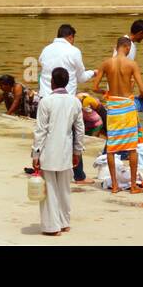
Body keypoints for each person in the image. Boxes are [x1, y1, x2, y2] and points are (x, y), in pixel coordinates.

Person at [39, 24, 95, 181]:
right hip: (66, 100)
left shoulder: (46, 50)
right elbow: (81, 77)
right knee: (73, 134)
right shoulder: (73, 51)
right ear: (70, 37)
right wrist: (94, 72)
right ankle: (78, 175)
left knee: (44, 133)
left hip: (45, 98)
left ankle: (42, 167)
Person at [33, 66, 85, 235]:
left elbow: (40, 130)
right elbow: (80, 129)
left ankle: (51, 226)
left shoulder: (46, 101)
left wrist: (36, 153)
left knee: (49, 190)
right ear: (67, 82)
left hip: (49, 151)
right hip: (66, 152)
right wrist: (77, 151)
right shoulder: (75, 102)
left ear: (52, 82)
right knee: (64, 189)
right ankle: (64, 222)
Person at [95, 36, 143, 193]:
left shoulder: (106, 63)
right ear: (127, 47)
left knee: (112, 147)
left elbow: (95, 86)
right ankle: (132, 186)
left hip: (113, 107)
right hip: (127, 106)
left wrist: (107, 92)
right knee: (132, 147)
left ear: (116, 46)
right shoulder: (131, 64)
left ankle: (115, 186)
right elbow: (142, 88)